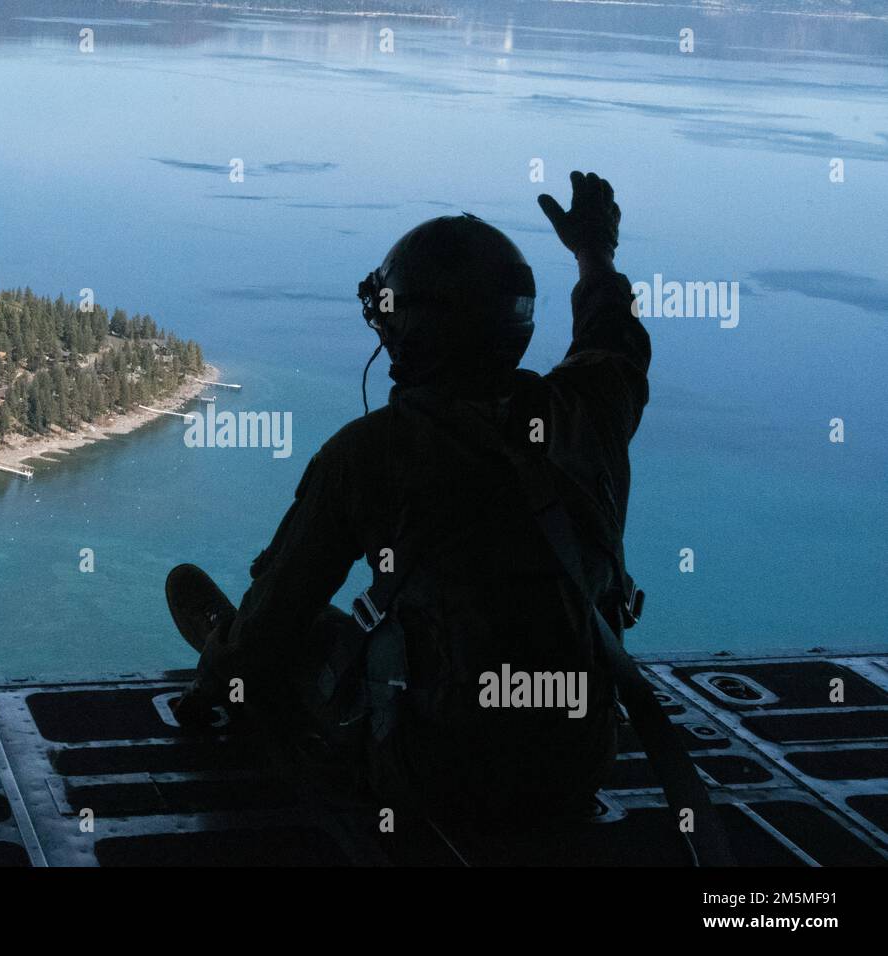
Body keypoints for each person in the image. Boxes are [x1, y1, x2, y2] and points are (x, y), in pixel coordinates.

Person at [166, 171, 649, 826]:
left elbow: (273, 621)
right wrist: (596, 254)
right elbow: (611, 337)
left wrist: (209, 690)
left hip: (438, 773)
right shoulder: (588, 410)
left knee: (306, 638)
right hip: (579, 761)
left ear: (410, 332)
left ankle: (215, 659)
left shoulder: (367, 455)